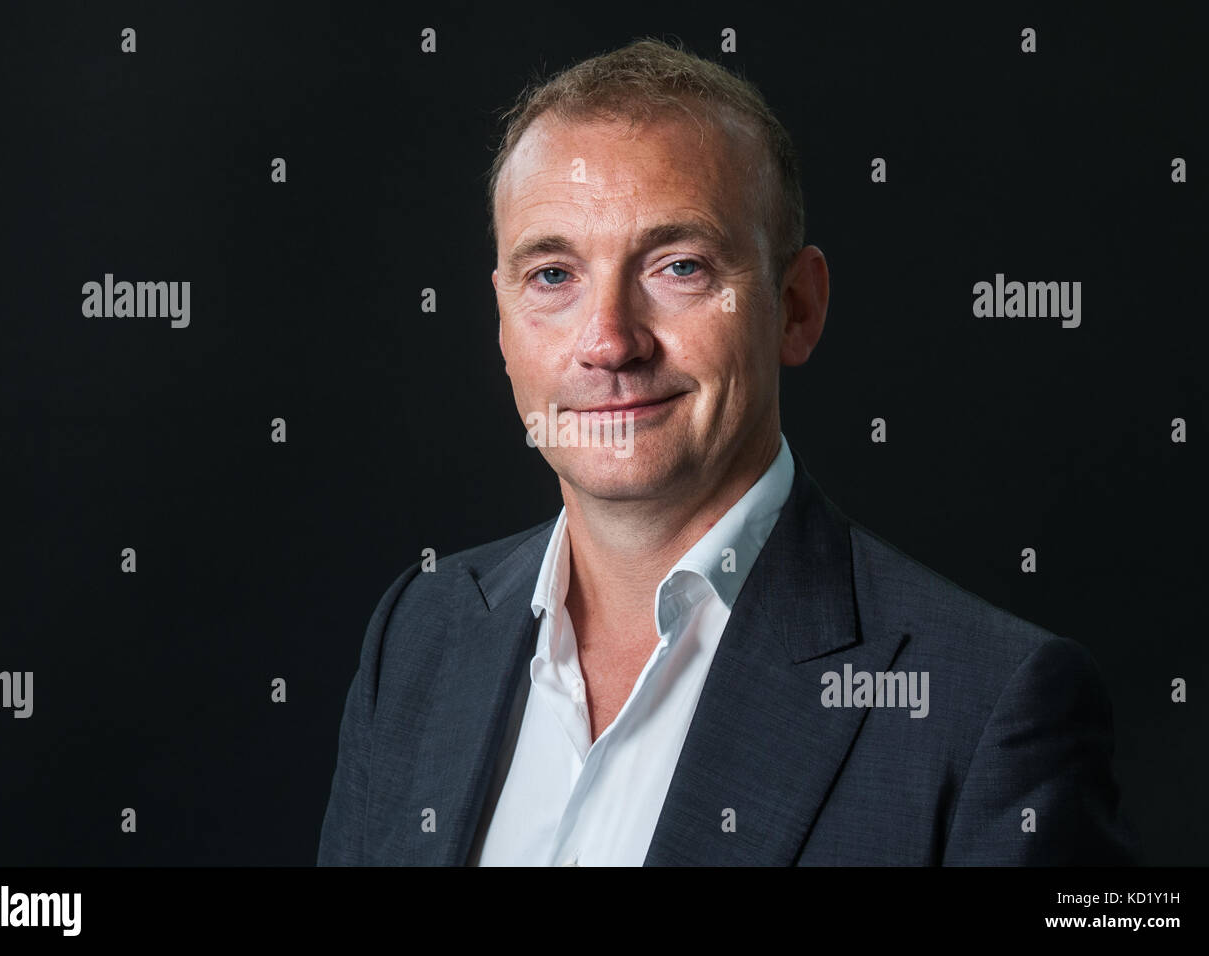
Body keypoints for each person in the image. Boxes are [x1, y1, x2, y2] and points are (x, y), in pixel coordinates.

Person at [317, 37, 1138, 866]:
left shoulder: (988, 707)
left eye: (679, 266)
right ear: (501, 320)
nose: (608, 341)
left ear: (796, 308)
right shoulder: (420, 633)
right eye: (553, 275)